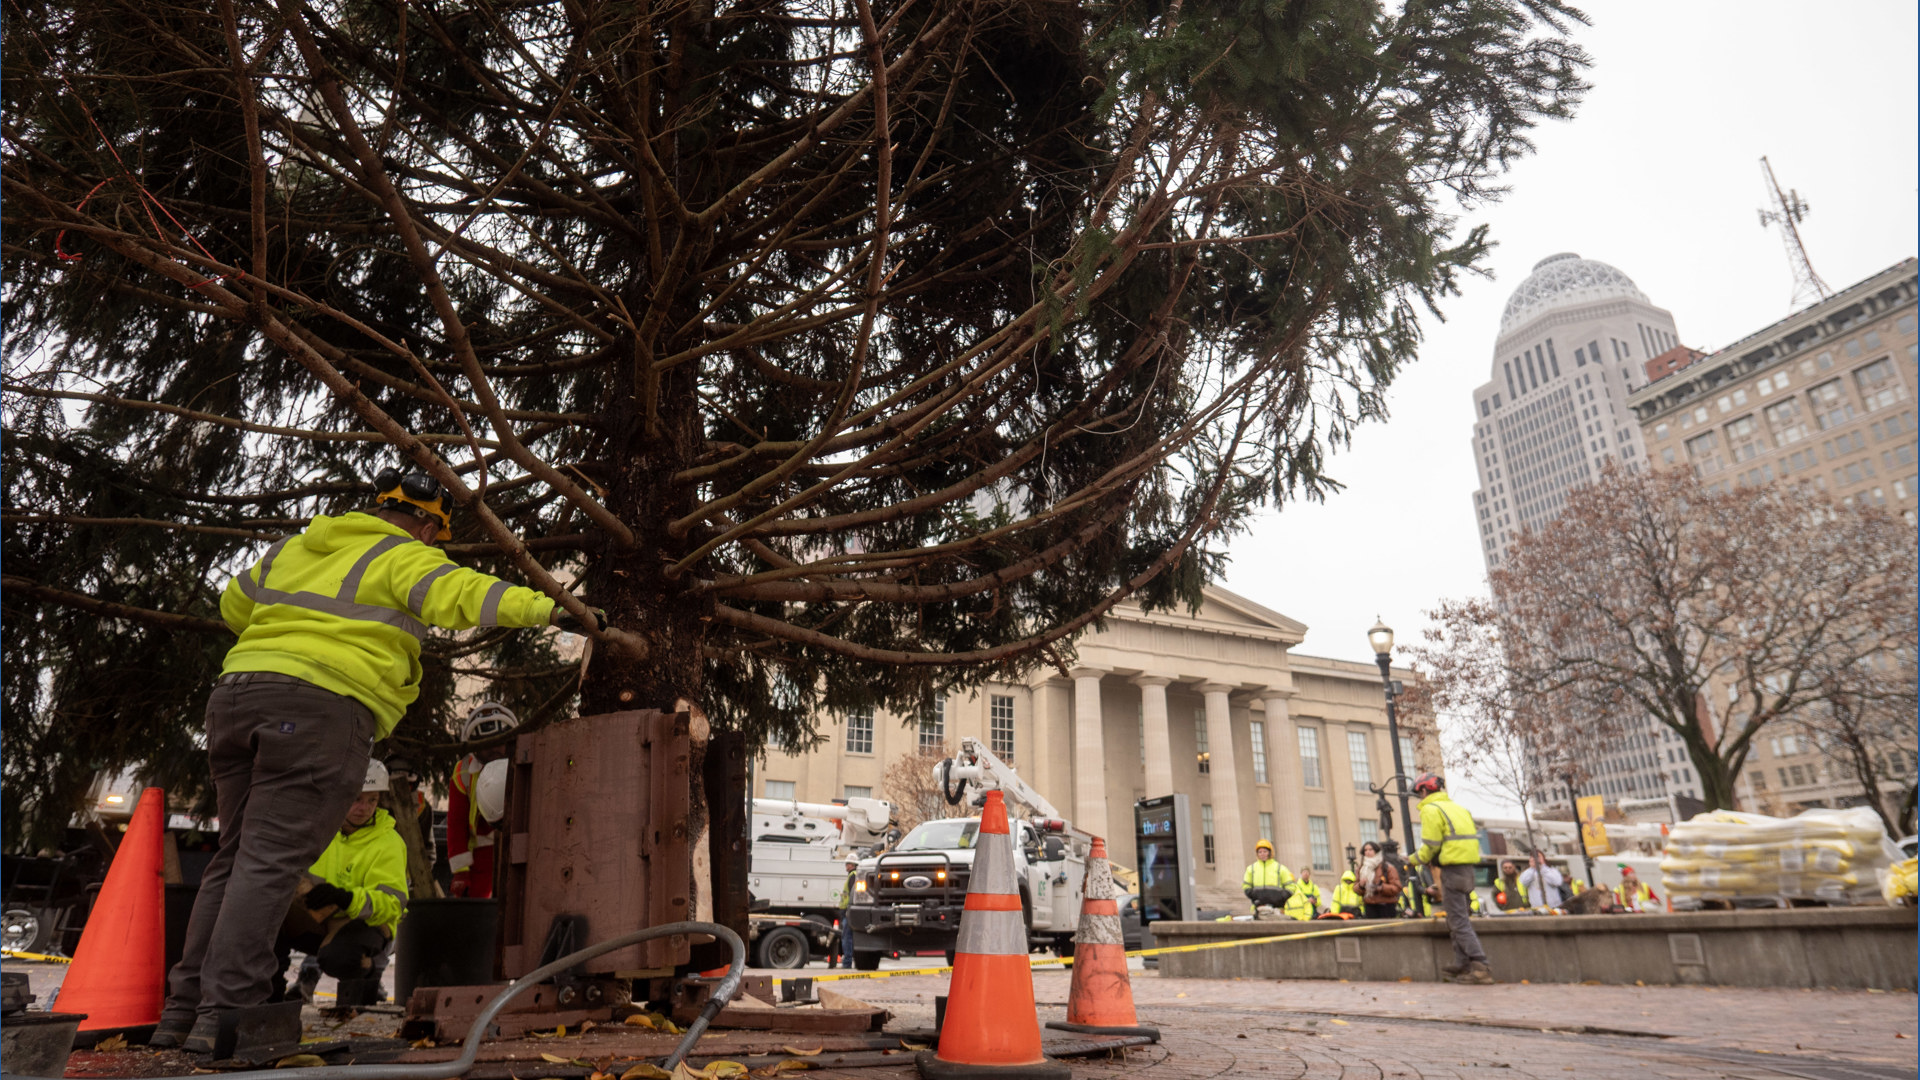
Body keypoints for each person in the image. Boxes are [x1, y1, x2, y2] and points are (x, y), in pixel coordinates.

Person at [153, 468, 603, 1053]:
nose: (435, 546)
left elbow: (235, 603)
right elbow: (467, 594)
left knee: (233, 859)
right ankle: (228, 1014)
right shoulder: (400, 556)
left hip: (237, 696)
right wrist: (557, 610)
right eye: (436, 537)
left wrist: (287, 637)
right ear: (424, 524)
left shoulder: (296, 549)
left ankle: (183, 1014)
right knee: (268, 863)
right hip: (319, 706)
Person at [272, 761, 408, 1003]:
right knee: (265, 922)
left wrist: (346, 898)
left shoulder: (390, 842)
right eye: (356, 799)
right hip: (320, 919)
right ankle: (271, 996)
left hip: (366, 924)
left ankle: (368, 971)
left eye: (372, 800)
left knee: (342, 958)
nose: (364, 808)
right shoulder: (320, 831)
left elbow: (392, 905)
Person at [1406, 773, 1492, 985]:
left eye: (1419, 794)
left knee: (1458, 921)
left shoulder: (1431, 809)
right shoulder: (1458, 808)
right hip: (1467, 869)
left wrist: (1411, 861)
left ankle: (1480, 966)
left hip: (1451, 870)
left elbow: (1430, 846)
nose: (1419, 799)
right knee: (1457, 917)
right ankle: (1462, 963)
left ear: (1424, 791)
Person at [448, 702, 520, 898]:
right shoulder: (463, 773)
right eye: (486, 745)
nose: (494, 750)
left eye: (499, 742)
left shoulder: (526, 764)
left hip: (520, 849)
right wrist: (461, 872)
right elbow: (456, 825)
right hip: (480, 859)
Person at [1242, 839, 1295, 914]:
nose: (1262, 854)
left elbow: (1291, 887)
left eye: (1265, 851)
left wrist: (1280, 897)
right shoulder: (1251, 869)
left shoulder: (1280, 868)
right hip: (1258, 907)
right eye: (1260, 852)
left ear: (1270, 853)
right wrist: (1254, 896)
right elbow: (1246, 886)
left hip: (1277, 908)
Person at [1356, 841, 1402, 918]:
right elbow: (1355, 888)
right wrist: (1361, 885)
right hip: (1369, 906)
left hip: (1386, 906)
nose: (1368, 852)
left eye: (1370, 850)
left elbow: (1397, 887)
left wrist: (1381, 888)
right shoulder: (1361, 869)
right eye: (1365, 850)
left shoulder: (1387, 867)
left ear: (1376, 851)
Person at [835, 858, 859, 968]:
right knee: (847, 937)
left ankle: (847, 962)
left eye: (848, 863)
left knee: (847, 938)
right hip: (848, 911)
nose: (846, 865)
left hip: (848, 911)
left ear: (853, 864)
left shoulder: (853, 875)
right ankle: (847, 961)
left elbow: (852, 895)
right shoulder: (852, 875)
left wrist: (848, 910)